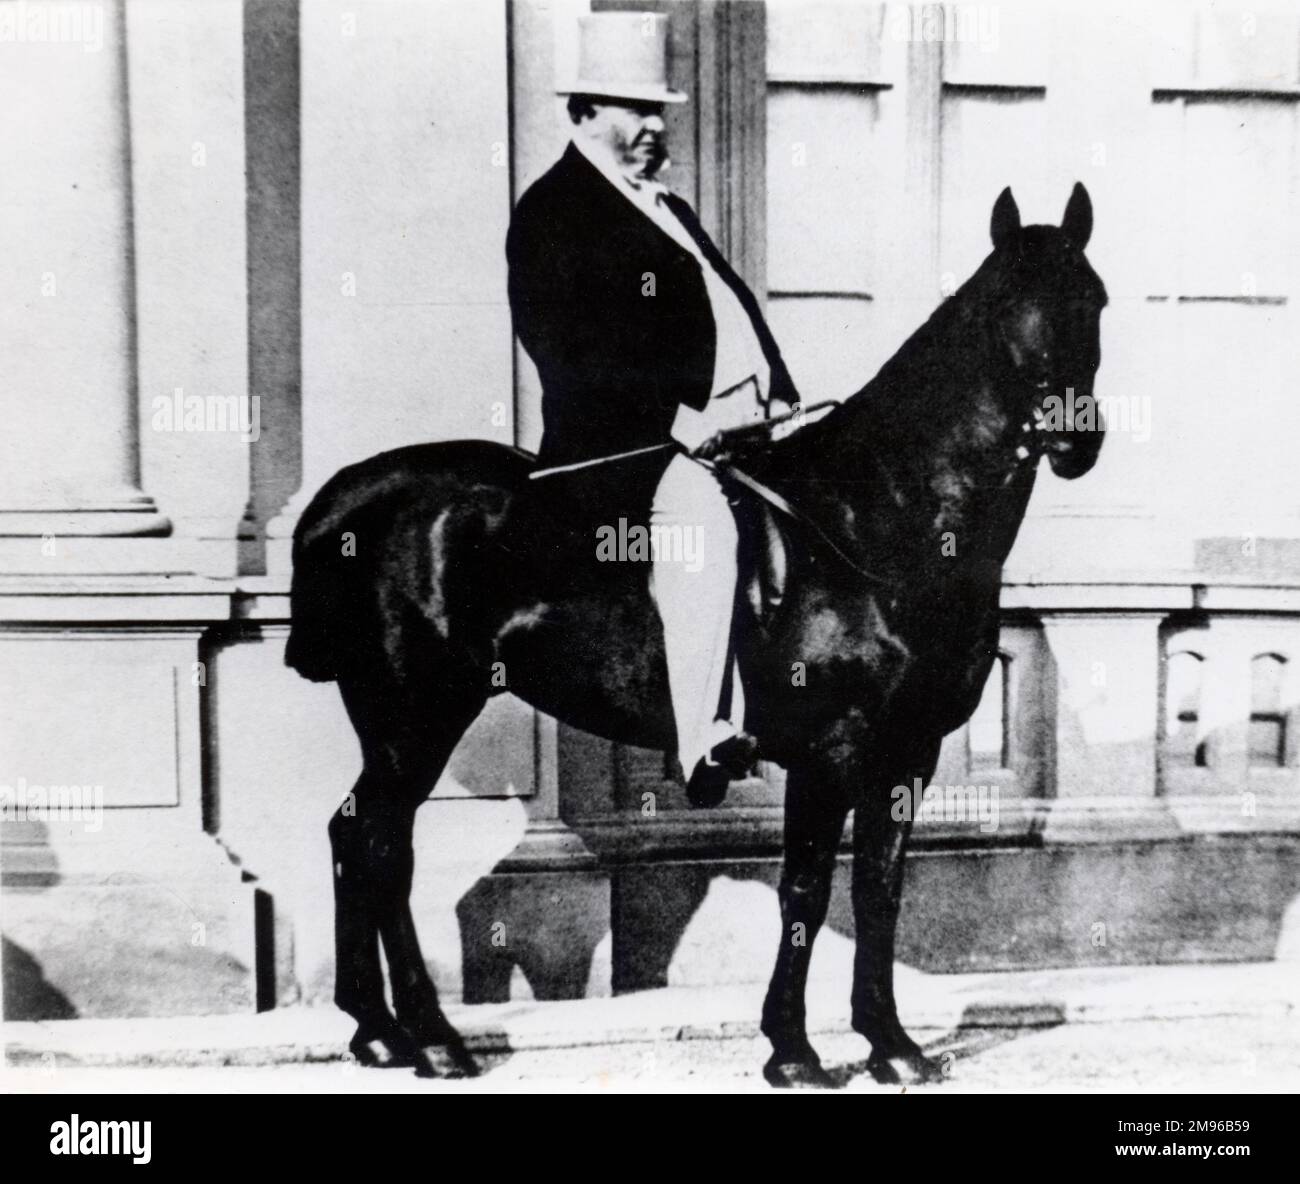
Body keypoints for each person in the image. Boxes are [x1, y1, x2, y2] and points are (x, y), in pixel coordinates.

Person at [506, 12, 802, 807]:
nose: (653, 126)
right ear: (582, 113)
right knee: (700, 530)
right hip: (628, 452)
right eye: (634, 109)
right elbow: (567, 349)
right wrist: (678, 422)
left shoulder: (663, 205)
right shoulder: (553, 213)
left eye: (658, 110)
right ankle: (703, 739)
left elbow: (729, 309)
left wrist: (778, 392)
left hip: (735, 431)